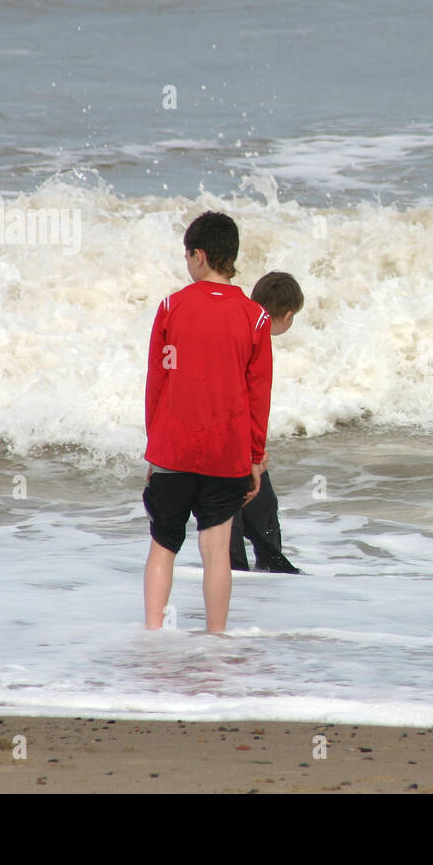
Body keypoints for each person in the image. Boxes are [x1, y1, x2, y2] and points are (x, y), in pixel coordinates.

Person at [142, 211, 272, 632]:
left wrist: (154, 446)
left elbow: (157, 383)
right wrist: (255, 456)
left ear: (198, 256)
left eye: (186, 256)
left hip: (173, 448)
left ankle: (153, 635)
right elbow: (259, 395)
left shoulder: (170, 307)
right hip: (227, 451)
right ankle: (216, 640)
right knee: (216, 550)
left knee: (163, 546)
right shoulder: (255, 318)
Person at [229, 271, 305, 574]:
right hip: (235, 449)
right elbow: (250, 400)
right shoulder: (256, 341)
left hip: (219, 441)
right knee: (252, 510)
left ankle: (251, 579)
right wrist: (254, 455)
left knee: (236, 516)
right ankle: (261, 575)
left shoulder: (235, 329)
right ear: (287, 317)